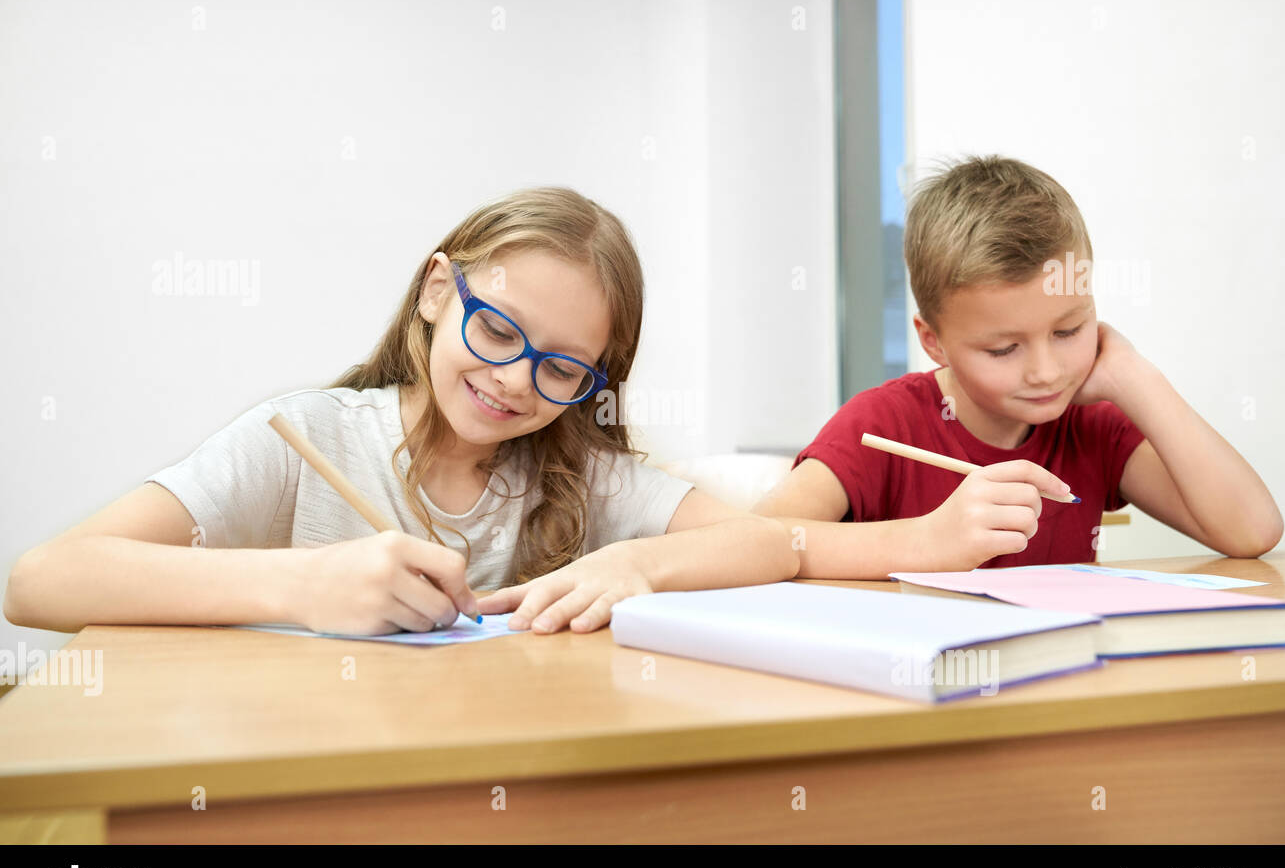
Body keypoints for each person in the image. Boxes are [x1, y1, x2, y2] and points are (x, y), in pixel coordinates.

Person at [5, 187, 797, 636]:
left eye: (561, 369)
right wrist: (303, 585)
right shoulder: (306, 436)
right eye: (495, 329)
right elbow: (41, 582)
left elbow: (772, 545)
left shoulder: (573, 471)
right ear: (436, 291)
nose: (516, 380)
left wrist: (640, 564)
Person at [756, 156, 1282, 577]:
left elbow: (1252, 532)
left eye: (1068, 331)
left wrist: (1136, 378)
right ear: (933, 342)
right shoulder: (881, 424)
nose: (1046, 372)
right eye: (1004, 349)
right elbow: (753, 543)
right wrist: (922, 541)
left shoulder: (1090, 424)